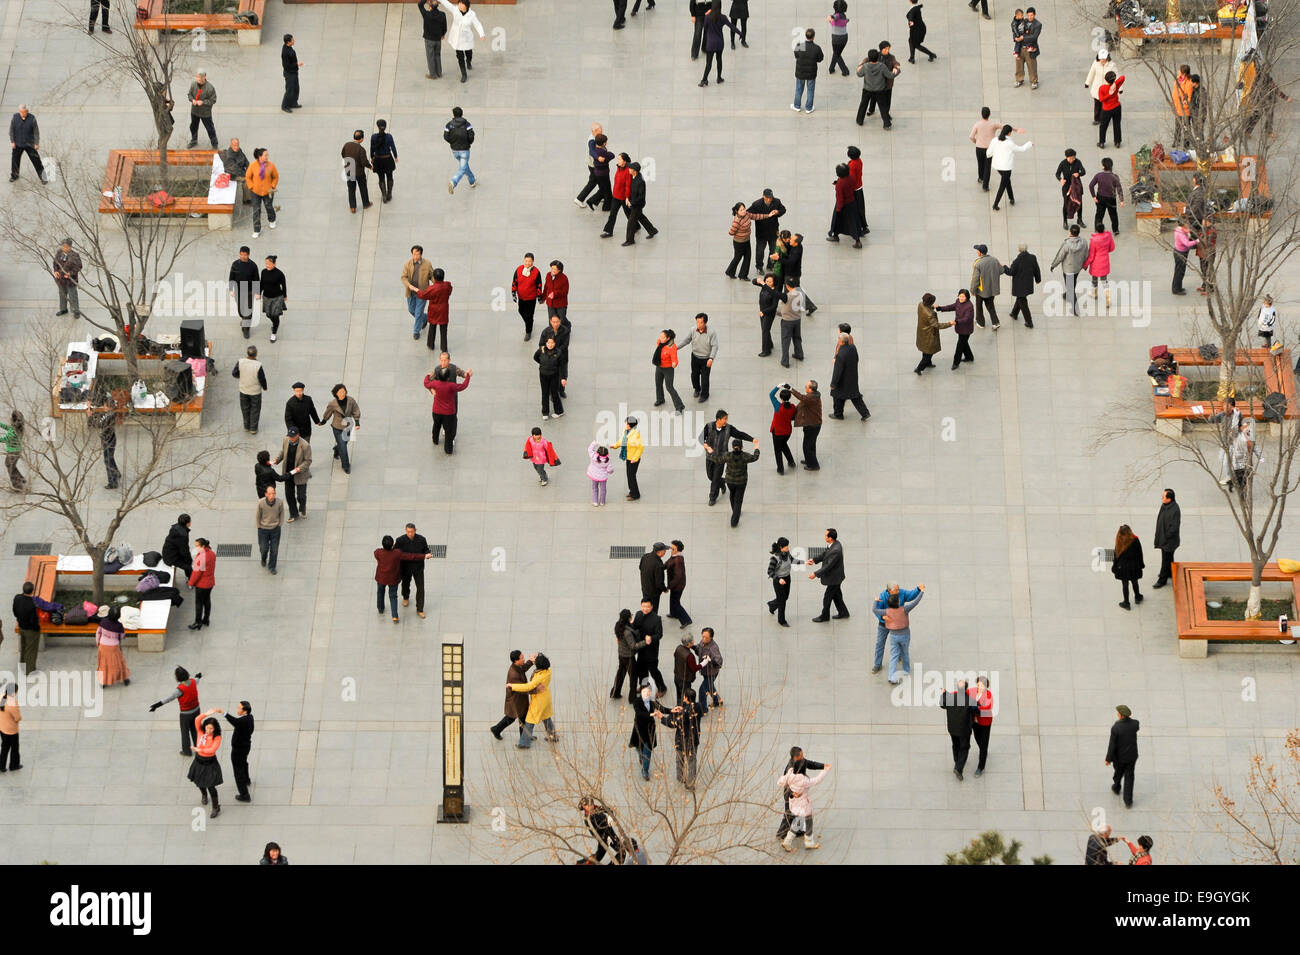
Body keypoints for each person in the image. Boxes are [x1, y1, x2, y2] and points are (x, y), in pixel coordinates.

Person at [699, 410, 756, 504]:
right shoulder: (709, 426)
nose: (726, 421)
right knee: (710, 476)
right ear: (718, 419)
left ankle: (712, 497)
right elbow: (701, 438)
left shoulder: (729, 429)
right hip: (710, 457)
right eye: (725, 419)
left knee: (715, 478)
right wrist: (707, 446)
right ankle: (722, 483)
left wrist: (752, 439)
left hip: (722, 458)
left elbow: (739, 434)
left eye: (726, 419)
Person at [873, 584, 924, 683]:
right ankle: (879, 665)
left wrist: (917, 589)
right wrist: (922, 592)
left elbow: (875, 609)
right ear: (889, 591)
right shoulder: (901, 607)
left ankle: (892, 676)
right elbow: (915, 602)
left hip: (893, 633)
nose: (899, 590)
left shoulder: (889, 609)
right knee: (882, 645)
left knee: (894, 655)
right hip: (888, 627)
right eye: (896, 589)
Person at [149, 666, 203, 757]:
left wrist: (156, 705)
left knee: (185, 732)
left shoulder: (180, 689)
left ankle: (187, 751)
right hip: (196, 710)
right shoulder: (193, 682)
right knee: (195, 730)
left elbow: (169, 698)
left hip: (186, 714)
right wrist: (198, 676)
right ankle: (198, 749)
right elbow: (197, 679)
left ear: (178, 678)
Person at [777, 759, 829, 851]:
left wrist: (792, 792)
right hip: (803, 804)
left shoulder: (790, 774)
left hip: (794, 803)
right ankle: (803, 842)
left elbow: (780, 782)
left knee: (802, 820)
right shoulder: (804, 780)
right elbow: (817, 780)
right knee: (804, 819)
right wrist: (825, 770)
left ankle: (793, 841)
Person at [508, 652, 557, 748]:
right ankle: (553, 736)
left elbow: (528, 687)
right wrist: (533, 660)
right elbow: (540, 665)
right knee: (546, 718)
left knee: (530, 722)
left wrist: (512, 686)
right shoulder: (547, 671)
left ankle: (524, 743)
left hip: (539, 701)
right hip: (546, 698)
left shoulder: (539, 677)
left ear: (539, 665)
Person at [776, 746, 825, 840]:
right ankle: (781, 833)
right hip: (790, 794)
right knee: (789, 813)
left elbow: (811, 764)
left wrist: (823, 766)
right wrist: (792, 793)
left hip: (799, 793)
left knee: (801, 811)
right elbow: (786, 783)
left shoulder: (801, 761)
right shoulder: (790, 768)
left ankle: (798, 831)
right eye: (801, 755)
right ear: (795, 757)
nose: (803, 757)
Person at [662, 687, 705, 787]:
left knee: (680, 759)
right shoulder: (699, 706)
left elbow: (673, 724)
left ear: (686, 698)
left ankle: (680, 777)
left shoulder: (684, 713)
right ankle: (690, 782)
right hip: (694, 739)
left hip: (682, 740)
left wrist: (662, 718)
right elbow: (692, 710)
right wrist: (683, 709)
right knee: (692, 761)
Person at [187, 710, 224, 816]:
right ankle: (204, 794)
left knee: (211, 786)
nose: (209, 730)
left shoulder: (217, 737)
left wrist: (200, 750)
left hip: (209, 762)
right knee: (198, 781)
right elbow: (197, 719)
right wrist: (208, 713)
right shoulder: (200, 731)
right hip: (199, 761)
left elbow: (212, 749)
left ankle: (216, 807)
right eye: (207, 727)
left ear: (215, 728)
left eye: (211, 728)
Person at [629, 678, 668, 779]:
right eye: (644, 691)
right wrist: (651, 714)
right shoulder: (636, 702)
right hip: (639, 730)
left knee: (647, 752)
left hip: (650, 731)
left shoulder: (652, 702)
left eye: (648, 691)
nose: (646, 694)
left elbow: (663, 709)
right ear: (641, 692)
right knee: (639, 748)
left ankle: (645, 771)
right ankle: (639, 753)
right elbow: (639, 713)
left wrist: (673, 710)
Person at [439, 0, 485, 83]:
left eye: (461, 4)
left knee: (469, 53)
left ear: (466, 6)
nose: (459, 5)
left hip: (466, 39)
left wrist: (482, 34)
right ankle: (464, 74)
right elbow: (447, 4)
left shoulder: (472, 14)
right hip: (457, 38)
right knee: (460, 57)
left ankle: (468, 61)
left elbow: (477, 24)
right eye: (459, 3)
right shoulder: (455, 9)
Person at [726, 201, 774, 280]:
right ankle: (730, 272)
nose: (743, 211)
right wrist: (741, 232)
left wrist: (768, 215)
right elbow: (731, 232)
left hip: (746, 241)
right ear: (736, 211)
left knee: (747, 257)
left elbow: (756, 216)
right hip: (739, 242)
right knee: (737, 258)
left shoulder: (747, 214)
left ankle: (743, 275)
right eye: (741, 210)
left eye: (744, 209)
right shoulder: (736, 221)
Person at [271, 427, 311, 521]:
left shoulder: (305, 445)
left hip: (299, 474)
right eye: (289, 436)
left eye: (292, 437)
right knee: (289, 495)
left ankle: (302, 507)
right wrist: (277, 460)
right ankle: (293, 514)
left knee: (301, 496)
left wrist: (299, 468)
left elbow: (308, 461)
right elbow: (283, 451)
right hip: (288, 473)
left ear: (298, 435)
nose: (290, 438)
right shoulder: (286, 440)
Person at [808, 528, 848, 621]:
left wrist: (815, 574)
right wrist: (814, 560)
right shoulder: (834, 544)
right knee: (836, 595)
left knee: (827, 597)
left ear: (830, 538)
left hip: (834, 578)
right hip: (837, 576)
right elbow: (825, 554)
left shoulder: (836, 550)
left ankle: (825, 616)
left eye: (826, 535)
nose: (824, 536)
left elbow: (828, 566)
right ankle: (843, 612)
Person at [677, 313, 719, 402]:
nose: (698, 325)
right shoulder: (693, 330)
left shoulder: (711, 332)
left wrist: (711, 358)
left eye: (700, 323)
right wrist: (676, 347)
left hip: (706, 359)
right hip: (695, 357)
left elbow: (715, 346)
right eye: (697, 322)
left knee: (705, 378)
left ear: (705, 323)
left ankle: (704, 395)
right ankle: (697, 389)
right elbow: (686, 340)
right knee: (694, 375)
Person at [720, 437, 760, 527]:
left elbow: (718, 459)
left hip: (730, 481)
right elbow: (755, 457)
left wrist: (710, 451)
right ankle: (734, 520)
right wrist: (756, 448)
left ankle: (735, 511)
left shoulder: (727, 455)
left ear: (732, 446)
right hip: (741, 482)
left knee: (732, 495)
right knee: (738, 501)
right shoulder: (744, 456)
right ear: (742, 447)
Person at [989, 125, 1032, 210]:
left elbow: (989, 152)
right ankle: (995, 204)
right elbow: (1021, 149)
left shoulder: (995, 140)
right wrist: (1029, 143)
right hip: (1006, 167)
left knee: (1007, 181)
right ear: (1009, 133)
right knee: (1003, 185)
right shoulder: (1009, 143)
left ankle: (1011, 198)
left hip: (997, 166)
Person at [493, 650, 534, 737]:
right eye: (522, 658)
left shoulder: (517, 666)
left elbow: (523, 668)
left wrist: (531, 661)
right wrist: (535, 690)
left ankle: (524, 738)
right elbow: (522, 689)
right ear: (516, 660)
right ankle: (496, 729)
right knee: (513, 718)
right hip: (515, 701)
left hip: (519, 700)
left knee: (521, 718)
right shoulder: (514, 674)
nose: (524, 659)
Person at [940, 679, 975, 780]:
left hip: (952, 728)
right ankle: (958, 768)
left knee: (955, 745)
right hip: (964, 730)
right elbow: (976, 709)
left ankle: (957, 761)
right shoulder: (970, 700)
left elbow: (942, 705)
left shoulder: (950, 698)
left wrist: (944, 694)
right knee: (964, 747)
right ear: (966, 689)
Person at [1106, 704, 1140, 807]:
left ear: (1121, 715)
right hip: (1131, 757)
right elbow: (1136, 726)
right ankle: (1128, 801)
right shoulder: (1135, 724)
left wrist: (1108, 759)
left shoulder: (1116, 728)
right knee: (1129, 777)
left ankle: (1116, 787)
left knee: (1118, 773)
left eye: (1118, 713)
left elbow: (1112, 745)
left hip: (1119, 758)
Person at [412, 268, 453, 353]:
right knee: (443, 330)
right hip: (444, 310)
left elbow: (423, 295)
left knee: (432, 327)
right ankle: (444, 348)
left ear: (434, 278)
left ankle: (430, 344)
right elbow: (450, 291)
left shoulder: (432, 288)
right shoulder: (447, 285)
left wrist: (416, 290)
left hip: (434, 310)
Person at [632, 597, 667, 695]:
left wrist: (651, 638)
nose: (645, 609)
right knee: (641, 669)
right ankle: (644, 685)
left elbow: (659, 634)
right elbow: (634, 627)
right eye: (643, 606)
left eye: (647, 606)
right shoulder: (638, 614)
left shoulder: (656, 619)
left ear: (652, 607)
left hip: (651, 650)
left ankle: (662, 688)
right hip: (641, 648)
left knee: (653, 670)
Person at [1050, 225, 1087, 316]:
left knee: (1070, 287)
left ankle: (1075, 308)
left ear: (1070, 232)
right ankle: (1066, 294)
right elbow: (1086, 254)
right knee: (1072, 281)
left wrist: (1053, 265)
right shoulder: (1083, 242)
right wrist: (1084, 265)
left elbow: (1060, 256)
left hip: (1068, 269)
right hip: (1077, 268)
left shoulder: (1067, 244)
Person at [323, 384, 360, 474]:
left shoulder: (351, 400)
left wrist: (357, 422)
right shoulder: (333, 403)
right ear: (336, 393)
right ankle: (346, 466)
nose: (342, 393)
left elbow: (355, 410)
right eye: (340, 392)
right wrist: (324, 420)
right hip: (337, 427)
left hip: (348, 426)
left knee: (343, 444)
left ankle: (336, 449)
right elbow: (328, 413)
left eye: (343, 391)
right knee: (343, 446)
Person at [221, 701, 255, 802]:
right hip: (246, 746)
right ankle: (246, 780)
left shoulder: (242, 722)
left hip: (238, 750)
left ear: (244, 711)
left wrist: (223, 713)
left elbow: (235, 722)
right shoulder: (250, 717)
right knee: (244, 763)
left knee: (238, 771)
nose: (237, 709)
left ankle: (244, 795)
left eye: (239, 708)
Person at [1003, 244, 1042, 329]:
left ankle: (1029, 322)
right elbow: (1036, 269)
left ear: (1019, 250)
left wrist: (1004, 267)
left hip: (1019, 286)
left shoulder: (1017, 261)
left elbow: (1011, 272)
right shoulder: (1032, 257)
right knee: (1020, 298)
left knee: (1023, 302)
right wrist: (1038, 279)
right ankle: (1014, 313)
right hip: (1028, 285)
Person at [401, 245, 435, 340]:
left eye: (417, 254)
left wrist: (435, 284)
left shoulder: (427, 264)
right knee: (411, 310)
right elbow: (403, 277)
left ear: (421, 254)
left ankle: (416, 331)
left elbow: (431, 275)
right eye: (413, 254)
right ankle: (425, 318)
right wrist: (409, 285)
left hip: (422, 292)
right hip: (411, 292)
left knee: (418, 312)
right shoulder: (407, 264)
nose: (415, 256)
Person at [231, 345, 268, 433]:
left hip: (243, 389)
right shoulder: (258, 365)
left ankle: (246, 426)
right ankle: (253, 429)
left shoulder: (240, 361)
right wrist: (265, 387)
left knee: (245, 408)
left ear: (247, 353)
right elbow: (262, 378)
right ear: (256, 354)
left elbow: (234, 373)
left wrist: (241, 376)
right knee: (255, 409)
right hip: (255, 392)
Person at [579, 796, 625, 864]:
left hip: (611, 834)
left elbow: (609, 810)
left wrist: (610, 817)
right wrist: (605, 838)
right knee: (597, 858)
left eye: (591, 804)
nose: (589, 806)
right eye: (586, 805)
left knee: (622, 851)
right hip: (603, 839)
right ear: (584, 807)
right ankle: (582, 863)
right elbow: (594, 833)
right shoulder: (587, 819)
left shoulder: (597, 808)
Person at [575, 125, 612, 210]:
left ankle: (602, 196)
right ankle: (580, 199)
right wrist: (598, 157)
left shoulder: (594, 137)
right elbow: (592, 151)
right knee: (593, 182)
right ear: (595, 131)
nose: (601, 133)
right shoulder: (592, 141)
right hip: (593, 165)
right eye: (600, 131)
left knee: (599, 182)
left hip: (593, 165)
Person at [787, 379, 822, 469]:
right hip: (812, 424)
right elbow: (802, 401)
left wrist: (791, 389)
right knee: (811, 444)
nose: (805, 387)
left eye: (806, 386)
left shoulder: (811, 398)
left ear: (810, 389)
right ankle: (809, 459)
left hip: (812, 425)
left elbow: (801, 398)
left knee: (807, 446)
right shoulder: (813, 395)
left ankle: (813, 465)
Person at [697, 7, 736, 86]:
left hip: (710, 43)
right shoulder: (723, 17)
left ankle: (704, 80)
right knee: (719, 60)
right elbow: (731, 26)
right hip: (719, 43)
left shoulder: (708, 17)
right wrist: (740, 33)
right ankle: (719, 78)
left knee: (708, 63)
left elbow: (705, 27)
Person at [936, 290, 975, 369]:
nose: (961, 298)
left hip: (966, 330)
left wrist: (957, 322)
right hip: (959, 327)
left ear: (967, 297)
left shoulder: (969, 306)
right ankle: (969, 357)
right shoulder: (958, 301)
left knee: (960, 346)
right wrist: (940, 308)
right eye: (960, 296)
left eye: (963, 297)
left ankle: (956, 362)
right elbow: (951, 307)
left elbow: (967, 319)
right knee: (964, 342)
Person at [91, 606, 129, 687]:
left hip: (103, 646)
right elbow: (122, 636)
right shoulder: (119, 626)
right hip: (114, 647)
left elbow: (98, 633)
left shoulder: (103, 622)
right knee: (119, 662)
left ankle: (103, 681)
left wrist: (98, 643)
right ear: (118, 616)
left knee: (103, 664)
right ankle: (124, 678)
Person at [748, 189, 786, 268]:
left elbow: (783, 210)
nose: (769, 199)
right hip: (761, 232)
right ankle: (759, 266)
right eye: (767, 197)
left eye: (770, 198)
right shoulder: (756, 204)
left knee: (773, 250)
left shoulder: (777, 201)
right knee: (760, 251)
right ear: (763, 196)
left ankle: (770, 265)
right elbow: (748, 213)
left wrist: (778, 212)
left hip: (773, 231)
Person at [914, 294, 951, 374]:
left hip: (922, 332)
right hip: (929, 335)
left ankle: (928, 363)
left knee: (925, 349)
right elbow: (937, 325)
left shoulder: (920, 304)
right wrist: (950, 323)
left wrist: (932, 307)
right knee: (929, 353)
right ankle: (919, 368)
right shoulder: (930, 314)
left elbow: (926, 309)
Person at [228, 246, 259, 339]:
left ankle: (246, 329)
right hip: (238, 291)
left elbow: (256, 280)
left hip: (249, 291)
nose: (243, 256)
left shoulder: (253, 266)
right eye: (241, 254)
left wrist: (257, 292)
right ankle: (243, 318)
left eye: (245, 255)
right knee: (241, 311)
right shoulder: (235, 264)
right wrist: (230, 289)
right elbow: (231, 277)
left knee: (248, 312)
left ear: (248, 255)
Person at [511, 252, 544, 340]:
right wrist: (514, 293)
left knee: (529, 315)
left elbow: (539, 285)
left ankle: (528, 332)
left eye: (529, 261)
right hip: (521, 297)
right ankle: (529, 322)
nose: (527, 263)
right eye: (526, 261)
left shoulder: (536, 272)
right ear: (524, 260)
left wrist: (539, 297)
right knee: (521, 311)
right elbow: (515, 281)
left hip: (531, 298)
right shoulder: (519, 269)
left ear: (533, 262)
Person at [8, 104, 45, 183]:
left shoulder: (32, 118)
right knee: (15, 161)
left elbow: (36, 132)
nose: (23, 113)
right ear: (19, 111)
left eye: (24, 112)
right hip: (17, 144)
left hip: (29, 144)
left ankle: (43, 177)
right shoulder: (15, 118)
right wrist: (12, 141)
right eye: (21, 112)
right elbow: (11, 130)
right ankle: (14, 175)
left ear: (27, 111)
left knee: (36, 161)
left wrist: (36, 143)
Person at [855, 49, 892, 127]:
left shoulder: (865, 66)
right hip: (879, 90)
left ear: (869, 57)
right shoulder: (882, 66)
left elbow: (859, 74)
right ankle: (887, 123)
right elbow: (890, 75)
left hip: (867, 89)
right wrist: (897, 70)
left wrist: (859, 67)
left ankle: (859, 120)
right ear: (877, 57)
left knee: (863, 105)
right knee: (882, 107)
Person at [827, 163, 862, 246]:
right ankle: (857, 241)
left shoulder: (840, 184)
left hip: (842, 205)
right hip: (852, 203)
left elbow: (840, 198)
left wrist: (838, 209)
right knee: (853, 223)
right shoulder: (852, 178)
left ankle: (835, 236)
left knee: (837, 221)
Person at [1152, 489, 1181, 588]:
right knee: (1168, 557)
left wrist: (1166, 536)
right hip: (1163, 537)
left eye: (1163, 497)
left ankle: (1162, 580)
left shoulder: (1175, 510)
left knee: (1165, 559)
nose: (1162, 498)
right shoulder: (1164, 506)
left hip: (1169, 541)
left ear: (1169, 499)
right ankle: (1169, 572)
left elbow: (1174, 527)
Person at [185, 538, 216, 631]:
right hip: (210, 583)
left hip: (202, 585)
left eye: (197, 546)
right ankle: (206, 619)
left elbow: (196, 573)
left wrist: (190, 583)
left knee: (199, 603)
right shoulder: (211, 553)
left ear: (203, 546)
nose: (196, 548)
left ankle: (197, 622)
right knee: (207, 600)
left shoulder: (202, 557)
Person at [610, 416, 643, 501]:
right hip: (628, 457)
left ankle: (635, 494)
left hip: (633, 459)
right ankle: (632, 491)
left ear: (630, 425)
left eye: (627, 423)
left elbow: (640, 447)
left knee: (632, 476)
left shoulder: (635, 435)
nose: (625, 424)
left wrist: (635, 458)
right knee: (629, 475)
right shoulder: (627, 432)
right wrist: (616, 445)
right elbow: (622, 440)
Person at [622, 162, 656, 244]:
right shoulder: (632, 176)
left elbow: (641, 197)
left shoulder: (640, 181)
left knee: (631, 223)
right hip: (633, 202)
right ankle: (652, 231)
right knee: (641, 217)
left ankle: (630, 240)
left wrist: (632, 203)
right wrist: (627, 198)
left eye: (630, 168)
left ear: (634, 171)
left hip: (637, 205)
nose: (628, 169)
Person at [652, 329, 685, 414]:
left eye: (663, 337)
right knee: (658, 384)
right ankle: (660, 399)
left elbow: (675, 358)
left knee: (669, 387)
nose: (660, 338)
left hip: (668, 369)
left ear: (668, 338)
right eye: (660, 336)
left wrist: (674, 363)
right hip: (659, 367)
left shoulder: (672, 347)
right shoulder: (659, 342)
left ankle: (679, 406)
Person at [1111, 524, 1144, 610]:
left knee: (1125, 585)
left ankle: (1126, 602)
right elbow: (1140, 554)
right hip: (1134, 566)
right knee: (1134, 581)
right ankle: (1137, 596)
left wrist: (1114, 566)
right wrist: (1141, 564)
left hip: (1123, 567)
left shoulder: (1119, 541)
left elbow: (1116, 555)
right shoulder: (1135, 540)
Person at [444, 106, 476, 192]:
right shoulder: (467, 124)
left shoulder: (449, 125)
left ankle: (472, 181)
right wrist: (468, 143)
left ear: (453, 115)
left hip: (455, 151)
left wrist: (452, 143)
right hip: (465, 150)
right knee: (462, 169)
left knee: (464, 166)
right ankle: (453, 182)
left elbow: (446, 137)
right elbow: (471, 136)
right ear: (462, 114)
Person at [1089, 157, 1124, 234]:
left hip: (1100, 197)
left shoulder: (1098, 175)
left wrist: (1094, 196)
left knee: (1099, 214)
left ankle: (1097, 229)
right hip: (1111, 199)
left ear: (1103, 167)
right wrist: (1121, 200)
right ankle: (1115, 230)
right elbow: (1119, 189)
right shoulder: (1115, 177)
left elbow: (1091, 185)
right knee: (1113, 215)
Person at [776, 276, 806, 368]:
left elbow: (775, 294)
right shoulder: (800, 293)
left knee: (786, 341)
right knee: (797, 338)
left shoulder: (787, 296)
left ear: (787, 286)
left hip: (787, 321)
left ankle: (785, 361)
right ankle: (799, 354)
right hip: (797, 319)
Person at [970, 245, 1002, 329]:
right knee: (990, 306)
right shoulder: (994, 260)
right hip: (992, 289)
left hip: (981, 290)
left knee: (979, 306)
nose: (977, 252)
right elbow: (1001, 271)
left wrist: (972, 290)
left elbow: (975, 279)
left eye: (977, 251)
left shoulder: (978, 263)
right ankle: (995, 322)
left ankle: (980, 323)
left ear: (980, 253)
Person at [792, 28, 824, 113]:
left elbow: (796, 55)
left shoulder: (800, 46)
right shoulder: (816, 48)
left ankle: (797, 106)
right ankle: (809, 108)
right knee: (810, 90)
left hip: (800, 72)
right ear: (813, 37)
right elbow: (820, 59)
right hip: (811, 73)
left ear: (806, 36)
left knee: (799, 89)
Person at [601, 153, 632, 239]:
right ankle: (608, 231)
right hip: (616, 196)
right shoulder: (619, 168)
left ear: (624, 161)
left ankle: (636, 226)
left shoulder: (627, 171)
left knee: (628, 214)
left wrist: (627, 197)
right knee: (612, 215)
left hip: (623, 198)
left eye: (619, 159)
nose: (618, 161)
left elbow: (628, 186)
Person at [534, 334, 565, 419]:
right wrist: (543, 365)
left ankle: (559, 411)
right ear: (546, 343)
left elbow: (562, 365)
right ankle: (545, 412)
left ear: (555, 343)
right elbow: (535, 357)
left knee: (554, 393)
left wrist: (563, 377)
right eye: (548, 343)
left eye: (552, 343)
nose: (550, 345)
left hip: (554, 376)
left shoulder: (558, 353)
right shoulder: (541, 350)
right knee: (545, 393)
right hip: (543, 375)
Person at [341, 129, 372, 212]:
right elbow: (364, 162)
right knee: (363, 188)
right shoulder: (361, 149)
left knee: (351, 189)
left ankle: (352, 207)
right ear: (361, 139)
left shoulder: (346, 145)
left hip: (349, 170)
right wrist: (370, 167)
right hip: (359, 172)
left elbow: (343, 154)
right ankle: (366, 204)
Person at [256, 255, 286, 343]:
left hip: (277, 297)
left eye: (269, 264)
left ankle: (274, 333)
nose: (267, 265)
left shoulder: (279, 273)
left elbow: (283, 285)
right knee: (268, 315)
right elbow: (261, 283)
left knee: (275, 315)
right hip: (267, 297)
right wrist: (259, 293)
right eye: (266, 264)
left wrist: (285, 296)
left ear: (274, 264)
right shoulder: (263, 272)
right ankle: (275, 324)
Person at [185, 71, 218, 149]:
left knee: (210, 128)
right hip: (194, 111)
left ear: (205, 77)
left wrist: (203, 102)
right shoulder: (193, 85)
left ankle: (214, 143)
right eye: (197, 77)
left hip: (205, 112)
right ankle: (194, 140)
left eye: (200, 78)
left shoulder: (210, 88)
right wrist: (192, 100)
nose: (199, 79)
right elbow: (189, 95)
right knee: (193, 126)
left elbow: (213, 100)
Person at [374, 535, 403, 623]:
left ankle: (380, 608)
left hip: (381, 577)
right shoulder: (397, 553)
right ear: (392, 544)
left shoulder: (378, 552)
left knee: (380, 592)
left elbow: (376, 555)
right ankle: (394, 616)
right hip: (393, 578)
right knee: (393, 596)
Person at [256, 485, 284, 574]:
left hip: (275, 530)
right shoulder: (261, 503)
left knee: (274, 549)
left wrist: (279, 525)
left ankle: (272, 567)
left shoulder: (279, 502)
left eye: (273, 493)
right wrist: (259, 527)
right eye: (270, 494)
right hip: (263, 530)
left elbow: (282, 514)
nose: (272, 495)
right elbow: (258, 515)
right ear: (266, 494)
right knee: (264, 548)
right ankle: (263, 558)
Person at [1055, 148, 1086, 230]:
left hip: (1076, 185)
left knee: (1079, 203)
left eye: (1073, 157)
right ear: (1066, 157)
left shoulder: (1078, 162)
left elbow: (1083, 171)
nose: (1072, 159)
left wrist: (1078, 174)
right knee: (1066, 203)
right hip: (1067, 186)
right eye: (1070, 158)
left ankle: (1079, 219)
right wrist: (1060, 179)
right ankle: (1065, 221)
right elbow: (1057, 173)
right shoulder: (1063, 163)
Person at [609, 612, 638, 700]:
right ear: (628, 618)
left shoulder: (618, 626)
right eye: (631, 615)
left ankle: (615, 692)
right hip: (629, 657)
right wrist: (645, 642)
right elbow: (633, 645)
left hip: (621, 654)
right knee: (633, 677)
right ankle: (632, 698)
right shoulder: (627, 632)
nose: (632, 616)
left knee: (620, 674)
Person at [768, 386, 797, 474]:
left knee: (778, 450)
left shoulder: (778, 406)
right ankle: (791, 462)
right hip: (787, 432)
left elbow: (771, 395)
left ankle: (780, 469)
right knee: (784, 445)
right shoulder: (793, 407)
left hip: (777, 432)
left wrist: (778, 386)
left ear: (781, 398)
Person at [1085, 225, 1115, 306]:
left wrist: (1085, 264)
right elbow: (1112, 248)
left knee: (1094, 279)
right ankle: (1108, 297)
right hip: (1105, 261)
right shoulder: (1108, 236)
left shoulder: (1094, 240)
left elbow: (1091, 255)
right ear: (1103, 229)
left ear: (1096, 230)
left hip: (1096, 263)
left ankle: (1094, 294)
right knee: (1104, 280)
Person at [52, 238, 83, 318]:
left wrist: (70, 273)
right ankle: (63, 309)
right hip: (61, 279)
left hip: (70, 280)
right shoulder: (59, 253)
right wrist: (56, 271)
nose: (64, 248)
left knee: (73, 295)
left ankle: (76, 311)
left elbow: (79, 266)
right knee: (62, 294)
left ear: (70, 247)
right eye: (63, 246)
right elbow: (55, 262)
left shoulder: (75, 255)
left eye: (66, 246)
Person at [664, 540, 692, 626]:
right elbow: (667, 563)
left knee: (676, 603)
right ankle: (673, 613)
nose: (671, 550)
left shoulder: (678, 560)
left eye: (673, 549)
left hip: (678, 585)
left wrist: (669, 586)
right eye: (671, 548)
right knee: (672, 599)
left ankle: (686, 620)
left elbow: (678, 577)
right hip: (675, 584)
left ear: (678, 550)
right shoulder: (674, 556)